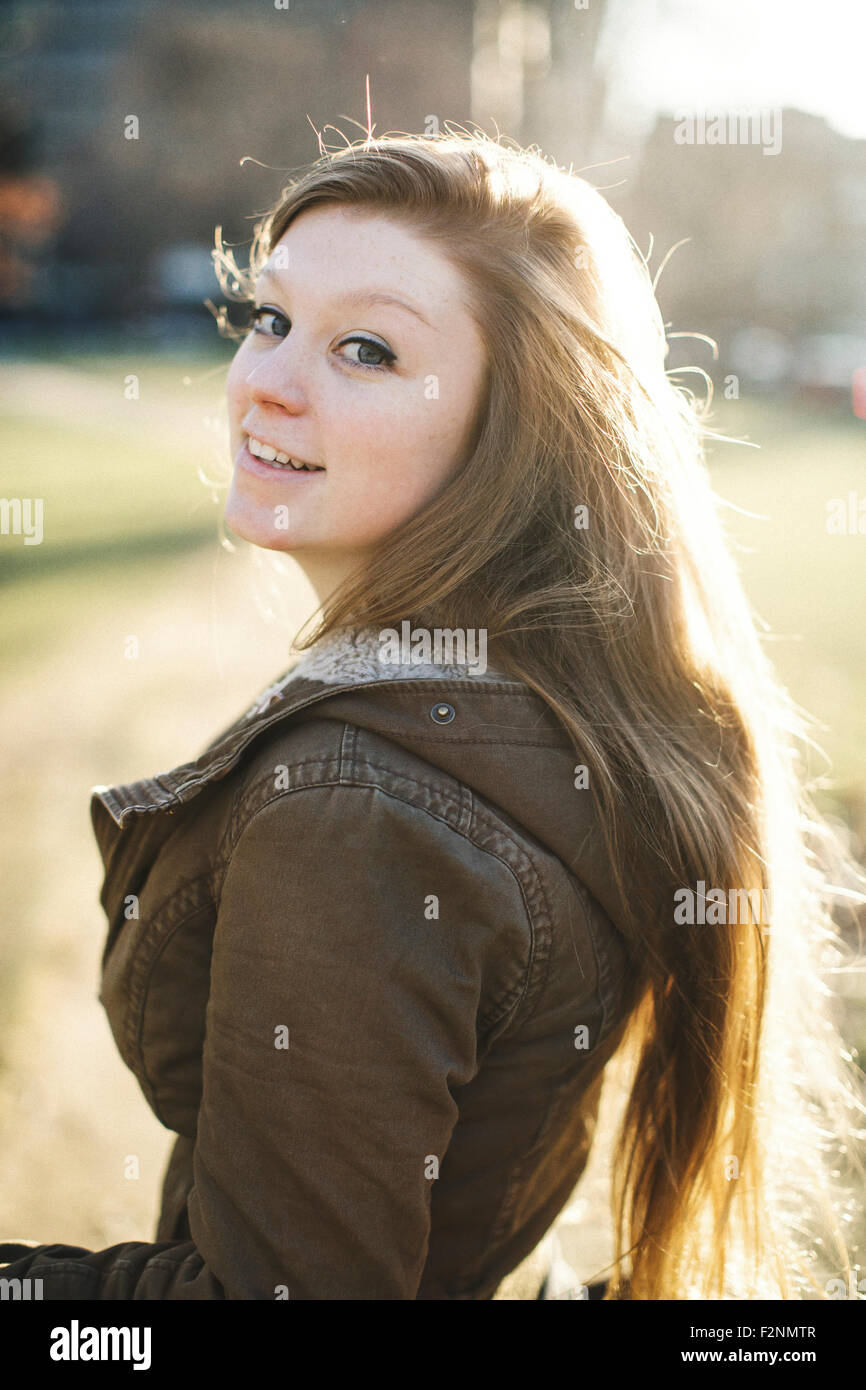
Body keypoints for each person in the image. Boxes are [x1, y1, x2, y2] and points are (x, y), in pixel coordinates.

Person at [1, 128, 863, 1300]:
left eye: (364, 348)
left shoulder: (358, 810)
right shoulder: (548, 717)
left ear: (514, 431)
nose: (267, 380)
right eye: (268, 318)